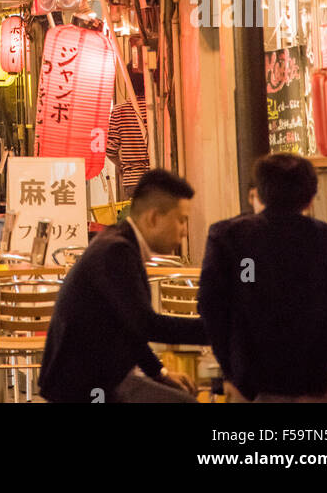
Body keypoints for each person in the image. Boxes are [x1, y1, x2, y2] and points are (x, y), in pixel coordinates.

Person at [198, 153, 327, 403]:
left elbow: (211, 306)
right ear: (310, 199)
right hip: (317, 379)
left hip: (251, 380)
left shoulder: (228, 236)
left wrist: (231, 371)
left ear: (258, 195)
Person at [38, 168, 207, 403]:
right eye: (181, 220)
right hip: (83, 385)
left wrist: (159, 373)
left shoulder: (119, 243)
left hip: (100, 376)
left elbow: (129, 325)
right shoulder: (116, 251)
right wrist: (219, 331)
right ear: (154, 218)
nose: (185, 232)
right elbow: (146, 324)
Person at [106, 72, 150, 197]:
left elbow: (110, 151)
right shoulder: (156, 109)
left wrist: (121, 166)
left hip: (132, 180)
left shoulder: (119, 111)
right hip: (156, 179)